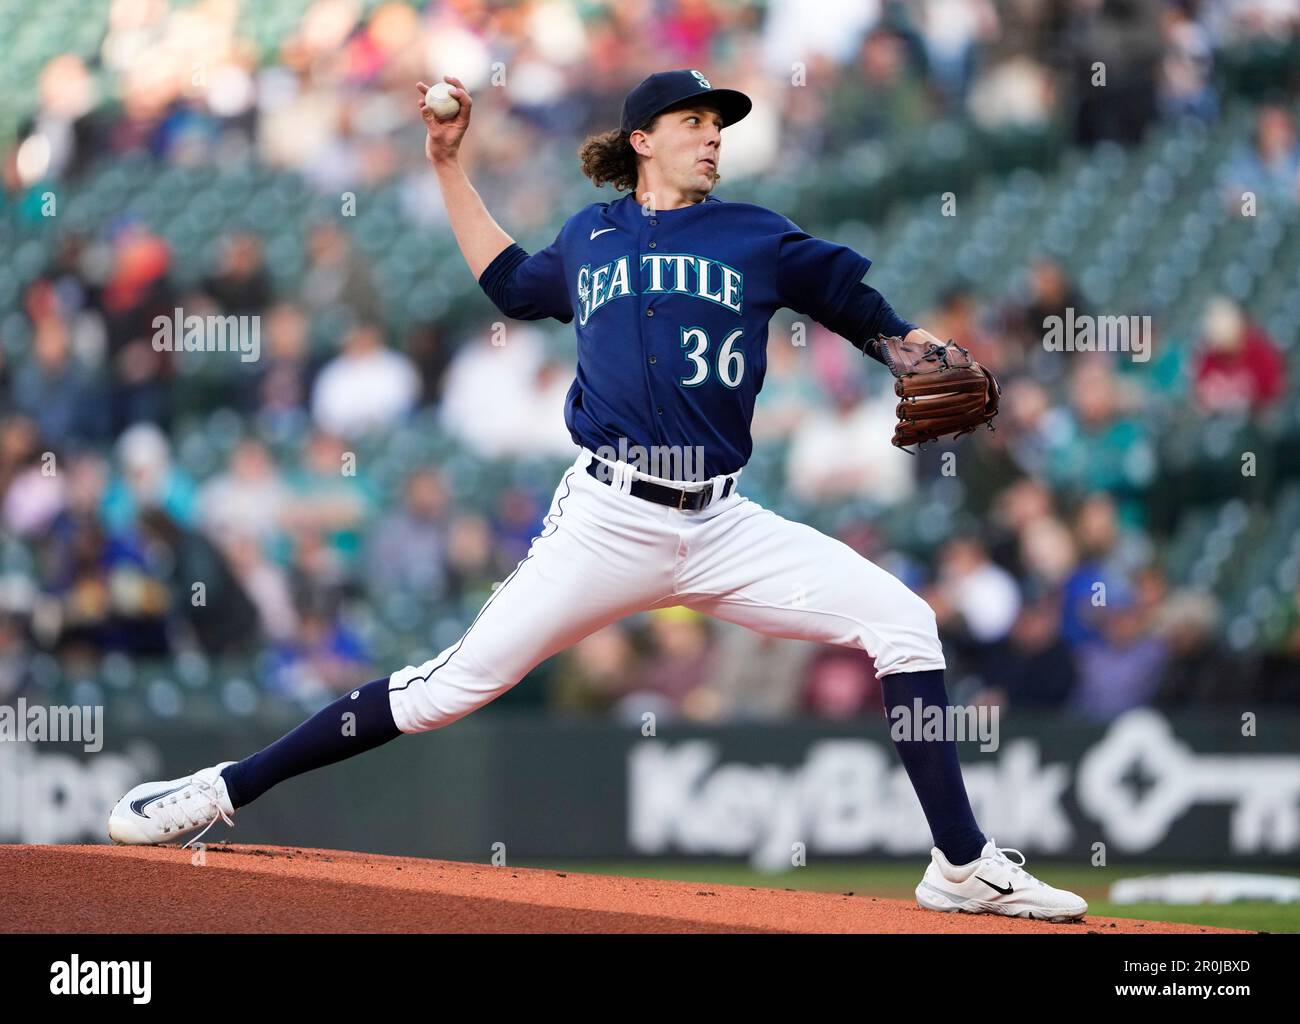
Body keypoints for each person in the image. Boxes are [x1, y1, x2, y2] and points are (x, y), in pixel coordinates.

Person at [108, 69, 1085, 922]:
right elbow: (505, 284)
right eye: (695, 120)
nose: (713, 135)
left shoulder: (756, 235)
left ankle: (959, 864)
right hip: (608, 517)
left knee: (906, 622)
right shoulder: (590, 238)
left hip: (723, 522)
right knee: (447, 689)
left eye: (720, 122)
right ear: (643, 140)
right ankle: (222, 787)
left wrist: (914, 352)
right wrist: (449, 166)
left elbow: (857, 306)